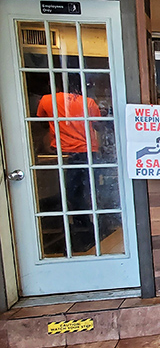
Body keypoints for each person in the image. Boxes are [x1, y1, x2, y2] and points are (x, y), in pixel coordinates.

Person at [36, 78, 100, 253]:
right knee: (86, 191)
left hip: (63, 154)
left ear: (54, 85)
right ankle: (87, 228)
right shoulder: (89, 102)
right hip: (88, 152)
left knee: (68, 194)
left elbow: (42, 123)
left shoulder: (46, 100)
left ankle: (81, 228)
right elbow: (99, 125)